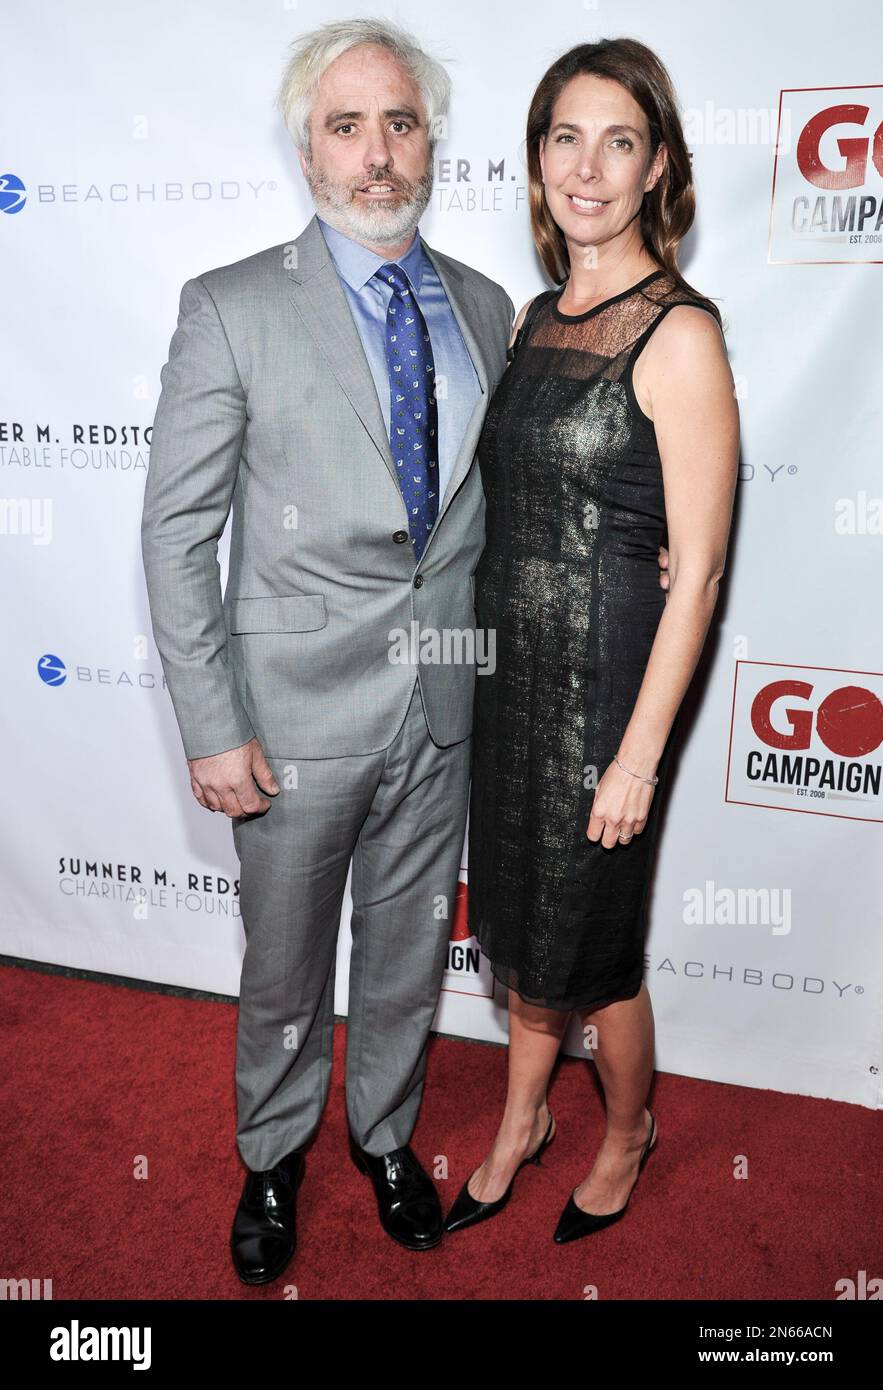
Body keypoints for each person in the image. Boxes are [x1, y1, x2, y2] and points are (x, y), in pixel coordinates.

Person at [140, 17, 515, 1283]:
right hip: (290, 714)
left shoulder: (484, 303)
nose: (377, 154)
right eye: (346, 126)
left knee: (408, 945)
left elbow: (480, 520)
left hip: (441, 708)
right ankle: (273, 1154)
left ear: (431, 144)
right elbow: (178, 532)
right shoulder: (234, 306)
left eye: (400, 123)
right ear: (307, 149)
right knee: (286, 965)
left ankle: (389, 1135)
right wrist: (209, 720)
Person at [445, 37, 739, 1244]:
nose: (587, 166)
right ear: (536, 160)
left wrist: (636, 756)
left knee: (597, 942)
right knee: (523, 917)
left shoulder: (679, 334)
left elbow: (702, 567)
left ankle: (625, 1128)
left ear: (655, 164)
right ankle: (522, 1121)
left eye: (618, 140)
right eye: (565, 136)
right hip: (511, 679)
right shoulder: (530, 316)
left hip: (610, 687)